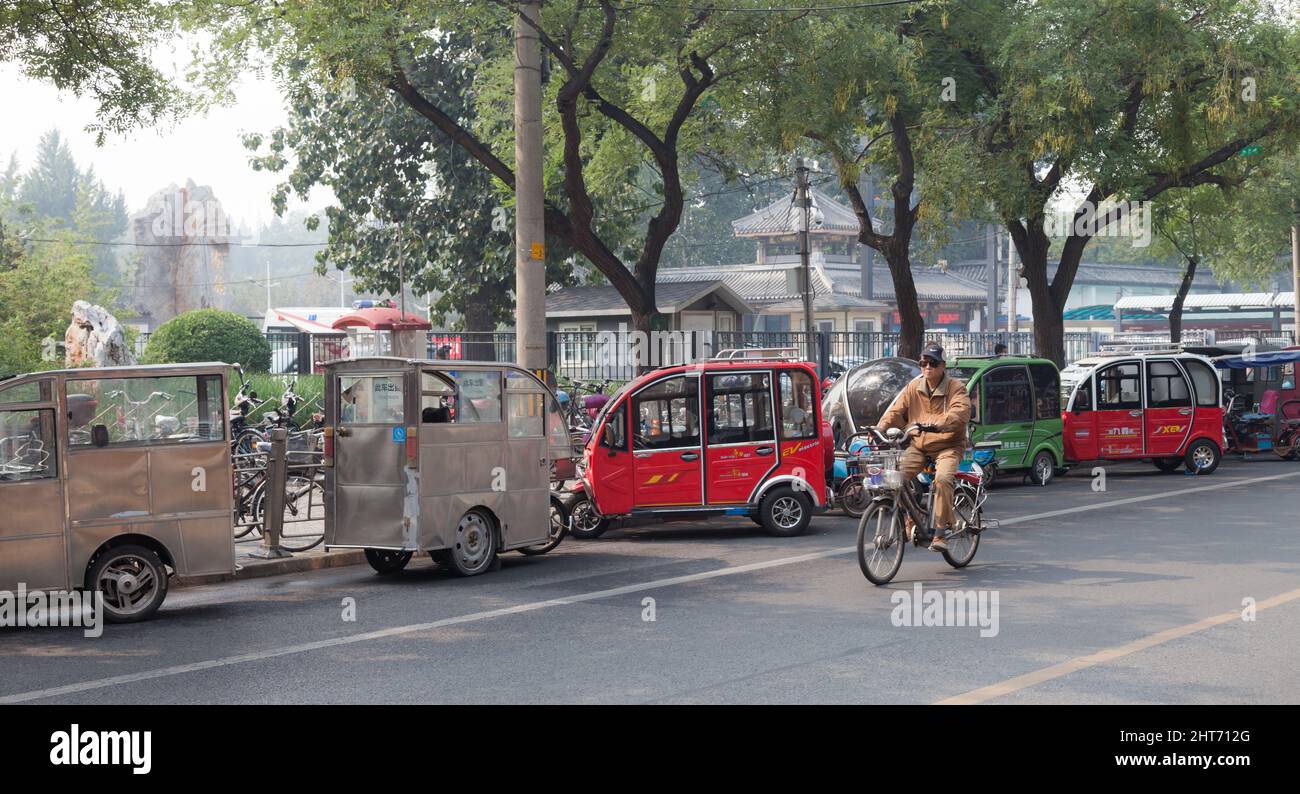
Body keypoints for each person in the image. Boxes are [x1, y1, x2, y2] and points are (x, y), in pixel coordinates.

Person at [873, 343, 972, 551]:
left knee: (943, 479)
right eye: (923, 363)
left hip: (948, 445)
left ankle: (939, 532)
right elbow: (896, 410)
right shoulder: (913, 387)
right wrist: (879, 428)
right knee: (894, 478)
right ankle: (910, 517)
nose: (927, 367)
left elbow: (960, 414)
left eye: (933, 363)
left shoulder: (956, 388)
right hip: (919, 445)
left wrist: (939, 424)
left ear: (943, 366)